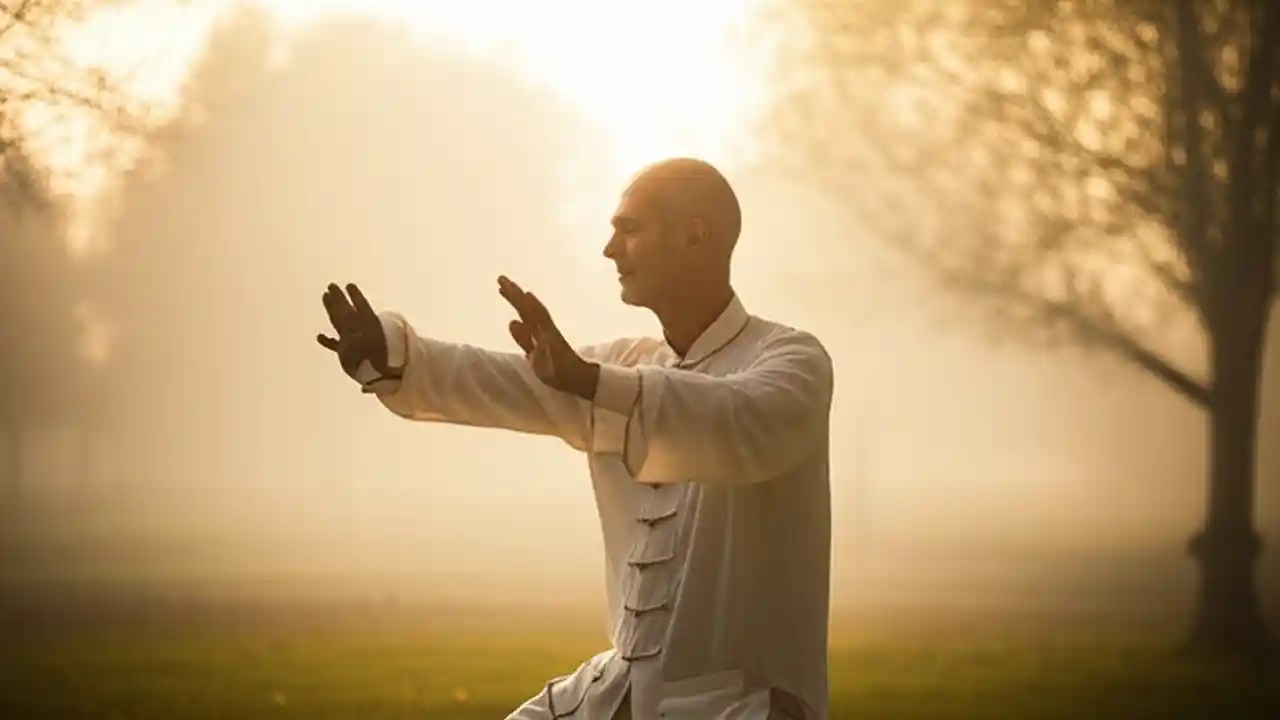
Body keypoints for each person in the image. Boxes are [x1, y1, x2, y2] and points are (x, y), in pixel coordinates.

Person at [317, 158, 834, 719]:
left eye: (629, 229)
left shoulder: (791, 360)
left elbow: (741, 423)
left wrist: (590, 382)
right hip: (622, 692)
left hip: (744, 705)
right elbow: (506, 380)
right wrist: (395, 359)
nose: (610, 250)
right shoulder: (627, 364)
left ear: (695, 235)